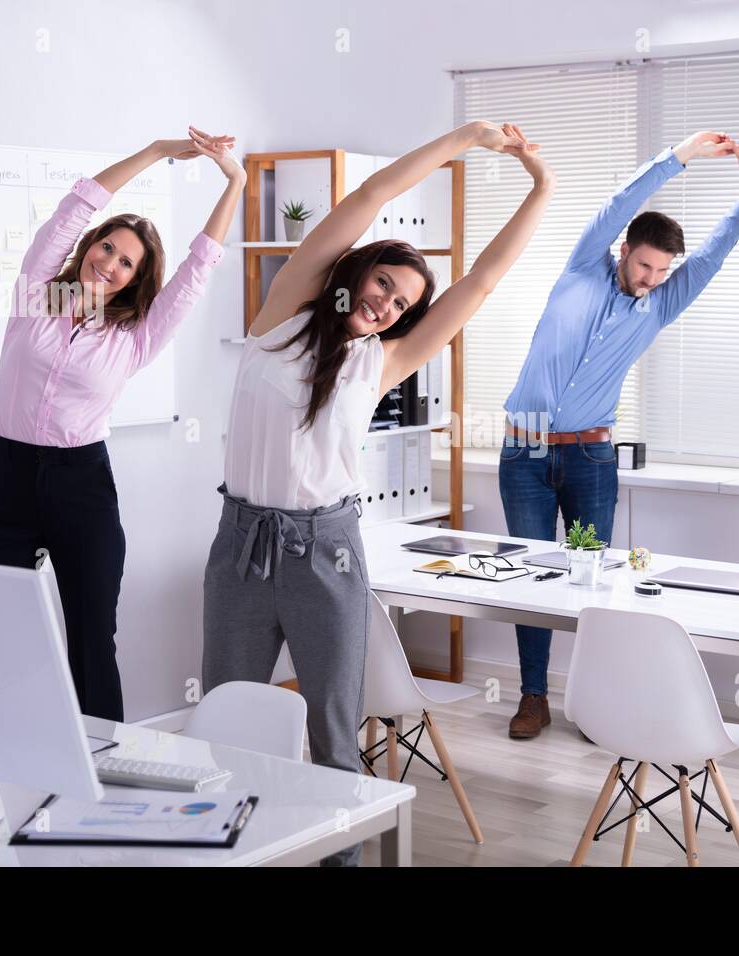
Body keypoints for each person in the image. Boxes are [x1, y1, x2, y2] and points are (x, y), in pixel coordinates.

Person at [202, 121, 554, 865]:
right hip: (240, 544)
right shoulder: (281, 319)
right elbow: (370, 194)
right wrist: (467, 137)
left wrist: (540, 184)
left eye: (403, 303)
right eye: (383, 285)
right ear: (354, 275)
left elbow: (482, 281)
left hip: (325, 550)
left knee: (335, 739)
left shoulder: (382, 363)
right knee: (224, 727)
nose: (389, 304)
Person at [0, 129, 245, 721]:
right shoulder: (34, 297)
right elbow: (79, 204)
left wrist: (236, 181)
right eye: (107, 248)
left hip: (81, 486)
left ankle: (109, 774)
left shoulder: (135, 336)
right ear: (89, 245)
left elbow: (198, 270)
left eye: (127, 263)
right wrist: (156, 152)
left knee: (92, 640)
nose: (110, 264)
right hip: (10, 479)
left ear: (136, 279)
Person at [498, 131, 739, 739]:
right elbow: (620, 201)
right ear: (623, 250)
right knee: (537, 578)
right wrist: (682, 156)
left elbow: (715, 253)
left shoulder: (662, 302)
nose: (651, 277)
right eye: (644, 264)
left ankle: (597, 701)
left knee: (590, 574)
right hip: (526, 453)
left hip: (591, 459)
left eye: (661, 269)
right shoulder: (582, 265)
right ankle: (533, 696)